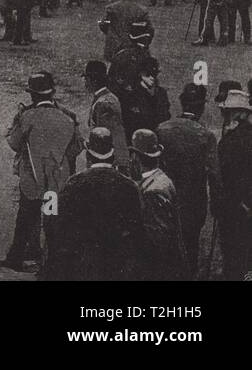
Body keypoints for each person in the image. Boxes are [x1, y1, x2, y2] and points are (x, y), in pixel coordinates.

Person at [1, 72, 83, 272]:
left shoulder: (26, 116)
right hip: (55, 179)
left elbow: (14, 143)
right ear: (52, 92)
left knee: (26, 218)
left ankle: (16, 258)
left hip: (31, 180)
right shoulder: (67, 117)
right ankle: (51, 261)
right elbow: (77, 147)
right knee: (51, 219)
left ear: (32, 95)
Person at [41, 127, 141, 281]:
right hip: (118, 266)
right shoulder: (129, 186)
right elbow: (137, 229)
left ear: (88, 156)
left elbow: (57, 225)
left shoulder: (75, 183)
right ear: (113, 156)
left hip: (83, 265)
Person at [157, 83, 221, 278]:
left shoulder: (162, 128)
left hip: (164, 199)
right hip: (193, 204)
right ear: (201, 108)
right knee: (190, 248)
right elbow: (215, 174)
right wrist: (217, 202)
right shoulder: (205, 135)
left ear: (182, 104)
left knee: (166, 249)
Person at [131, 128, 188, 280]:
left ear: (136, 157)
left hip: (159, 270)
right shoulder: (162, 178)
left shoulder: (151, 191)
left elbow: (157, 241)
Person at [216, 88, 252, 280]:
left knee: (233, 257)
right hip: (247, 204)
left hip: (234, 207)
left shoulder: (229, 141)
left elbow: (224, 176)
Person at [84, 60, 130, 177]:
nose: (85, 82)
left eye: (86, 79)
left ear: (93, 80)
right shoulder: (105, 98)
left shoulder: (104, 103)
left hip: (107, 163)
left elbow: (110, 136)